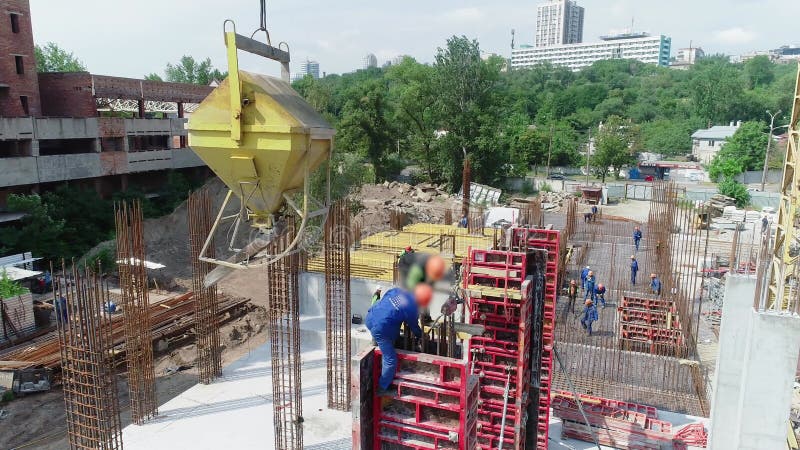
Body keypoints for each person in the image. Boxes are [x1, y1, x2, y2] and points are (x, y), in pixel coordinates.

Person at [366, 284, 431, 394]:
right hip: (381, 330)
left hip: (370, 318)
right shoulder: (412, 308)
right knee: (391, 360)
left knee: (392, 332)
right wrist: (422, 336)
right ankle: (382, 388)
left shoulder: (395, 291)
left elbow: (385, 305)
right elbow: (414, 327)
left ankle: (375, 341)